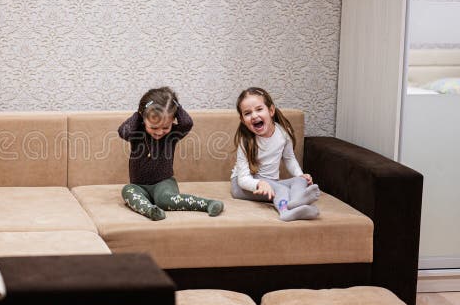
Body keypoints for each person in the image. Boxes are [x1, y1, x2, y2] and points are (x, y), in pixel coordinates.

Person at [118, 86, 224, 220]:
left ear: (172, 121)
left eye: (165, 127)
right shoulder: (137, 133)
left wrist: (175, 106)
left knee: (163, 200)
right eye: (154, 127)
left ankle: (208, 204)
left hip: (164, 183)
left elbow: (187, 123)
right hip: (139, 185)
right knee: (127, 190)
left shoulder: (173, 134)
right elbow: (123, 132)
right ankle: (150, 210)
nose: (159, 132)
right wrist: (139, 114)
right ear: (143, 120)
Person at [231, 87, 320, 221]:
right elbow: (243, 179)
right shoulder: (245, 141)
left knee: (301, 180)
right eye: (248, 113)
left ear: (271, 110)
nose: (254, 116)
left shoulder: (283, 133)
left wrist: (299, 174)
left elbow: (289, 158)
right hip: (242, 185)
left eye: (259, 109)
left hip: (271, 182)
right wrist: (258, 184)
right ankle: (285, 212)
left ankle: (295, 202)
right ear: (243, 119)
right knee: (282, 190)